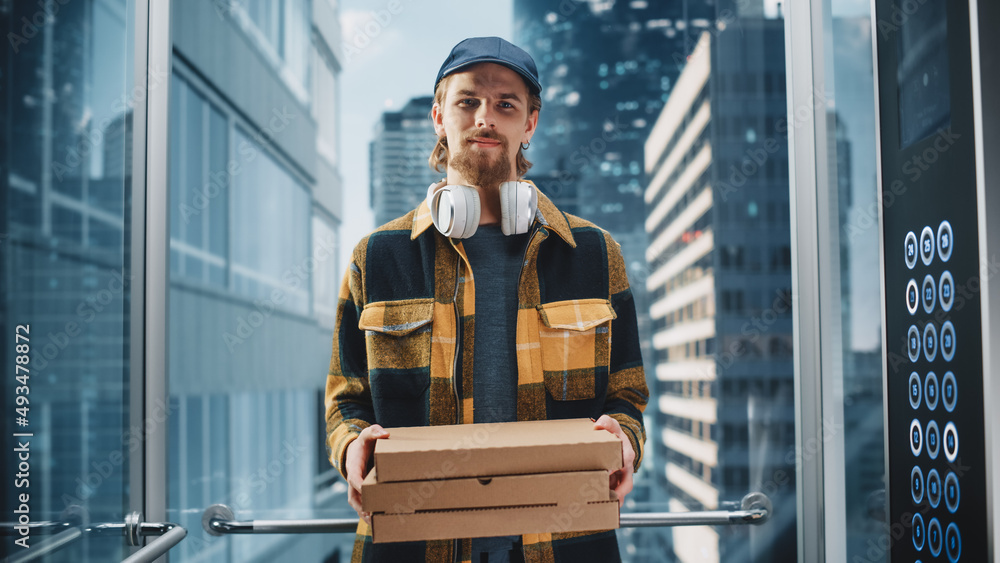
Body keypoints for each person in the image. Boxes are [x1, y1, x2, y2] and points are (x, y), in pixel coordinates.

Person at [325, 36, 649, 563]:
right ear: (438, 116)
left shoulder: (593, 253)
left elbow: (627, 396)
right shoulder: (376, 257)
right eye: (468, 101)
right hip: (412, 545)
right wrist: (351, 444)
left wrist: (625, 440)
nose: (485, 118)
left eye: (505, 104)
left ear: (530, 123)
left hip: (565, 543)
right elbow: (346, 401)